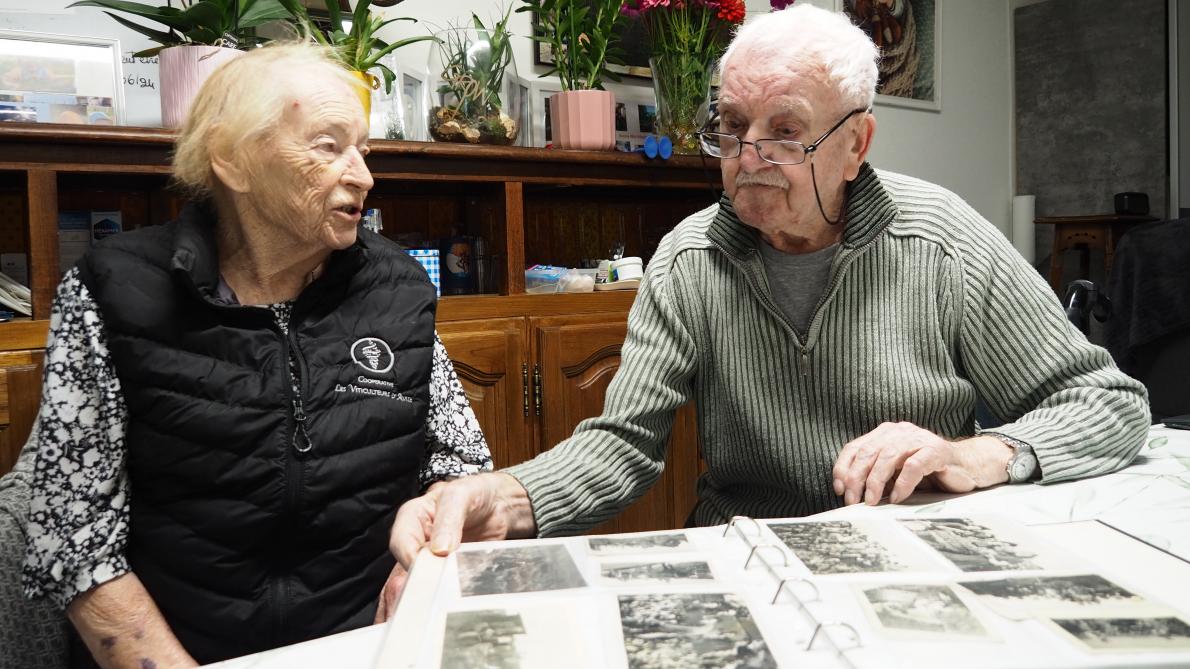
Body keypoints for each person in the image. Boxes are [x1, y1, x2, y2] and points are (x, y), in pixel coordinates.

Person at [387, 3, 1150, 575]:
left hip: (910, 553)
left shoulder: (940, 238)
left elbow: (1109, 404)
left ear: (856, 144)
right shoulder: (689, 259)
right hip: (749, 558)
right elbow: (623, 447)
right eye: (732, 126)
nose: (748, 157)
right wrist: (506, 496)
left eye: (785, 131)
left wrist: (980, 453)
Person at [20, 42, 491, 668]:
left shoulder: (396, 289)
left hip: (370, 644)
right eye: (328, 146)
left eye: (363, 150)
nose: (363, 176)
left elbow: (460, 464)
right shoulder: (112, 290)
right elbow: (71, 539)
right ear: (232, 160)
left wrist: (426, 574)